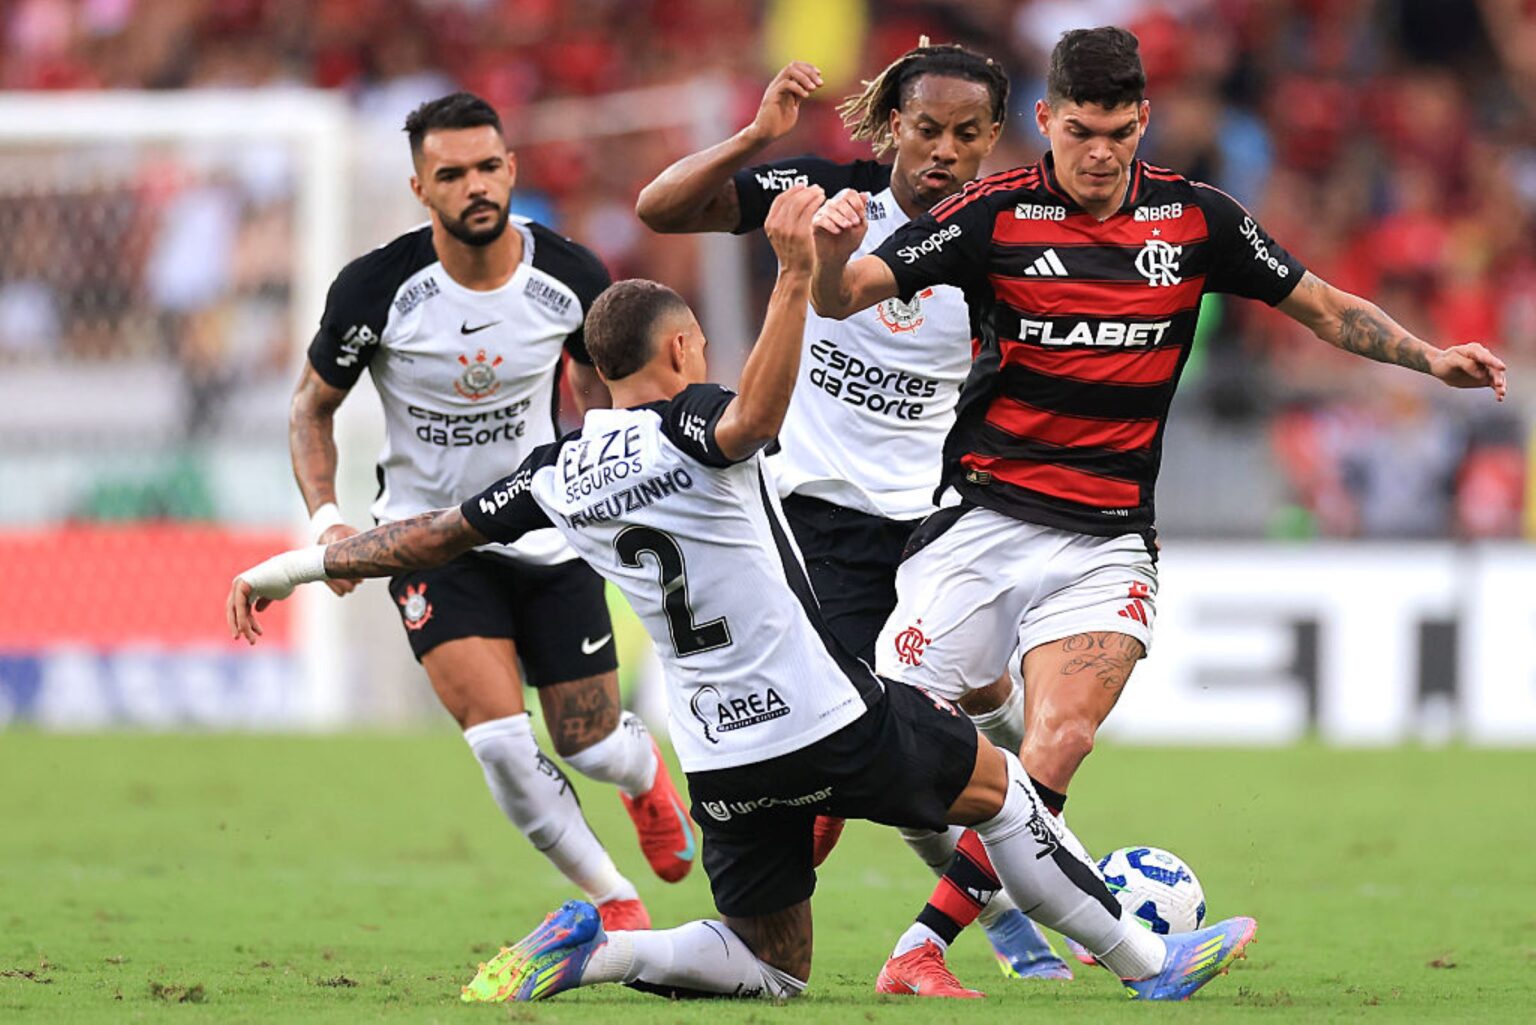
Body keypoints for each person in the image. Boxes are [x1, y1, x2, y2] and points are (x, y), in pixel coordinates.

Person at [228, 185, 1257, 1005]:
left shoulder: (552, 471)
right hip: (824, 714)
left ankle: (595, 953)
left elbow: (430, 533)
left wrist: (295, 564)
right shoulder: (697, 425)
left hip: (718, 753)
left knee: (773, 965)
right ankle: (1143, 962)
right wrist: (794, 276)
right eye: (699, 349)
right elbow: (756, 418)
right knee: (1009, 793)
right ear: (678, 351)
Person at [809, 25, 1507, 980]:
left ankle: (926, 946)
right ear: (1046, 120)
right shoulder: (990, 215)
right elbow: (849, 296)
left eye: (1118, 134)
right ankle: (973, 863)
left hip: (1107, 541)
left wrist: (1429, 358)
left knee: (1063, 741)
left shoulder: (1197, 220)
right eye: (1079, 133)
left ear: (1144, 119)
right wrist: (820, 255)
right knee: (908, 756)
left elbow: (1321, 303)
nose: (1099, 155)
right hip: (982, 525)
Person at [636, 44, 1071, 986]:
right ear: (894, 128)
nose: (944, 151)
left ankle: (1003, 913)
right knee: (886, 741)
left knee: (996, 732)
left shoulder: (1005, 240)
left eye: (966, 133)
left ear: (994, 137)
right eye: (926, 129)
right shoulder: (831, 194)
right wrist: (755, 138)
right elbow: (662, 209)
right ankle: (995, 931)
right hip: (820, 524)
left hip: (944, 524)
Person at [288, 91, 695, 931]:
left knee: (587, 741)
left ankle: (642, 773)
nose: (473, 185)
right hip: (428, 541)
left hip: (547, 529)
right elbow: (310, 408)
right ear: (419, 188)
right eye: (450, 174)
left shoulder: (571, 277)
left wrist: (620, 486)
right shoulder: (376, 290)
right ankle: (615, 902)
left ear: (510, 168)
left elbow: (603, 402)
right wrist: (328, 521)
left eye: (485, 167)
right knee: (502, 742)